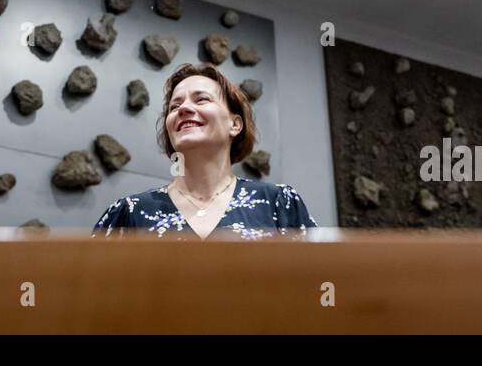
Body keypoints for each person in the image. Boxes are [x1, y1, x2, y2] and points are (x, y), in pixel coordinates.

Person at [92, 63, 315, 239]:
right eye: (175, 106)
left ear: (235, 124)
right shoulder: (128, 213)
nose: (184, 109)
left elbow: (318, 284)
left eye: (201, 99)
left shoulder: (280, 203)